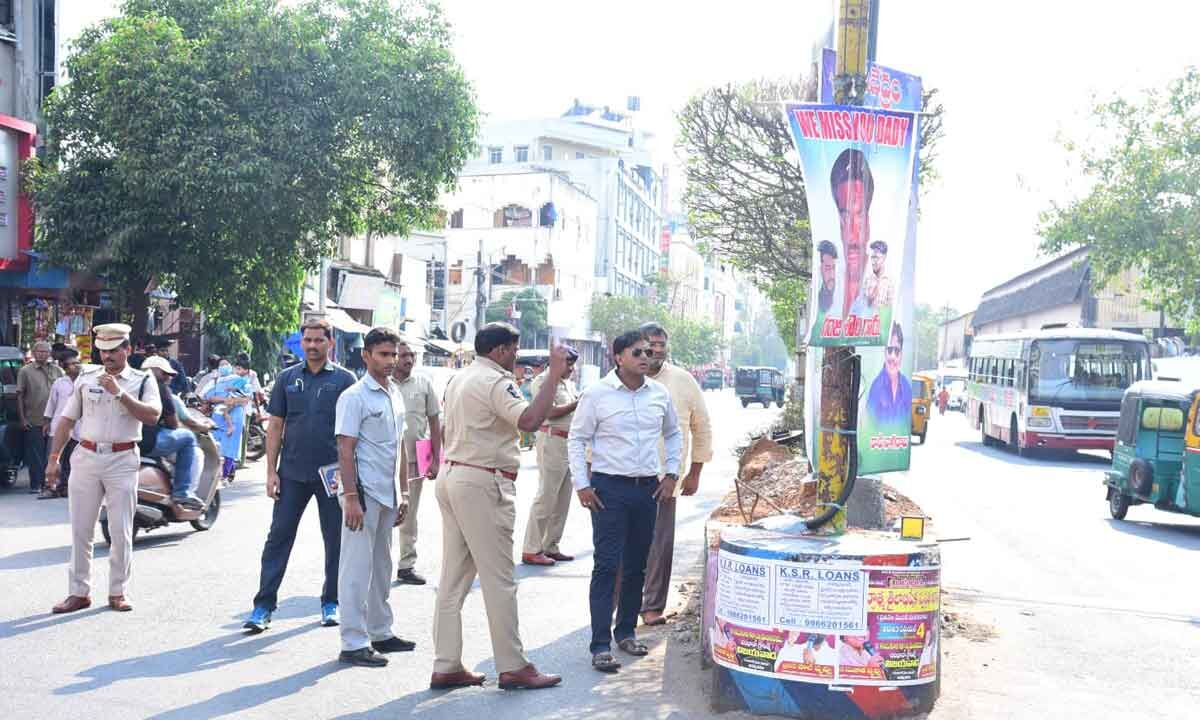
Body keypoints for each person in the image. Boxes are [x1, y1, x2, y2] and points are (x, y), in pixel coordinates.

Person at [430, 322, 570, 691]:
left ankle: (446, 663)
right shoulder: (495, 381)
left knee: (454, 578)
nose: (517, 357)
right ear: (501, 351)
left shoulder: (460, 377)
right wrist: (553, 376)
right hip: (482, 480)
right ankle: (513, 665)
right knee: (500, 580)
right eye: (515, 349)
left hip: (455, 473)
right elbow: (529, 421)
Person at [567, 330, 682, 673]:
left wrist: (672, 474)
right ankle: (600, 645)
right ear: (618, 357)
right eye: (638, 352)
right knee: (606, 565)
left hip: (647, 489)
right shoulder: (597, 394)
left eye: (649, 352)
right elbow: (577, 438)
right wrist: (582, 484)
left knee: (636, 566)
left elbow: (673, 433)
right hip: (608, 491)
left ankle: (626, 632)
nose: (647, 357)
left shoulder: (659, 394)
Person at [243, 318, 356, 633]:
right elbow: (276, 426)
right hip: (291, 473)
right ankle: (263, 606)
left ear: (330, 343)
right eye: (307, 340)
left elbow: (352, 434)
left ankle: (331, 601)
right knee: (278, 537)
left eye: (319, 340)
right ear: (301, 343)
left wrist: (351, 481)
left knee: (335, 539)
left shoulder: (345, 381)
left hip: (332, 474)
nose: (313, 346)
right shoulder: (286, 378)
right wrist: (270, 472)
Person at [45, 323, 162, 614]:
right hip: (86, 456)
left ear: (128, 349)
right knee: (80, 529)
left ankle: (118, 591)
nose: (107, 357)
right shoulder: (86, 378)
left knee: (120, 529)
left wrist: (120, 393)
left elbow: (152, 416)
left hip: (122, 459)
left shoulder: (143, 379)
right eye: (103, 351)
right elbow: (67, 420)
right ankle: (78, 592)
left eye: (113, 351)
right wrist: (53, 458)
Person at [334, 327, 416, 667]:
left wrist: (404, 491)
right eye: (383, 354)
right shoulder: (355, 396)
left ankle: (381, 632)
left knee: (383, 566)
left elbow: (398, 447)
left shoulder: (394, 393)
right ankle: (353, 641)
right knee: (356, 568)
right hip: (362, 494)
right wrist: (351, 496)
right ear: (366, 355)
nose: (390, 360)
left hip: (388, 493)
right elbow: (345, 448)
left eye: (393, 354)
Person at [638, 322, 711, 627]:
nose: (655, 350)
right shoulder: (621, 380)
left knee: (659, 544)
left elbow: (701, 427)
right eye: (648, 345)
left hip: (664, 478)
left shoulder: (682, 381)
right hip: (621, 476)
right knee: (622, 545)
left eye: (660, 345)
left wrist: (694, 472)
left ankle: (652, 606)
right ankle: (621, 603)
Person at [521, 347, 579, 566]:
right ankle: (531, 548)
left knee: (562, 499)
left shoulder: (569, 384)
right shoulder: (543, 381)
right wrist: (576, 403)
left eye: (572, 364)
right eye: (567, 364)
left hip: (569, 444)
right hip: (552, 441)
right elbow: (548, 412)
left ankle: (550, 545)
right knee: (546, 496)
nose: (571, 369)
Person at [393, 339, 441, 586]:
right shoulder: (383, 383)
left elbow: (435, 422)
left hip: (415, 461)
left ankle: (406, 565)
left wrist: (435, 460)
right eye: (403, 356)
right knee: (381, 515)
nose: (408, 360)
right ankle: (375, 564)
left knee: (409, 515)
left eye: (411, 355)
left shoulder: (423, 383)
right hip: (386, 463)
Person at [139, 356, 203, 509]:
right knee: (188, 438)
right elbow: (173, 424)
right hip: (148, 441)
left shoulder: (131, 384)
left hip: (127, 440)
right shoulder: (159, 388)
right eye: (165, 373)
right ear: (154, 371)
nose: (168, 378)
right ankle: (182, 491)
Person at [830, 148, 875, 320]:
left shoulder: (883, 291)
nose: (852, 234)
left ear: (868, 223)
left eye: (859, 216)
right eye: (845, 217)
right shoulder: (829, 289)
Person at [18, 340, 63, 497]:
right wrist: (22, 419)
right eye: (40, 351)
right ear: (34, 352)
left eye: (46, 351)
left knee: (53, 454)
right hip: (34, 419)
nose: (43, 354)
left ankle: (50, 485)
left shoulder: (58, 371)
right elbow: (20, 395)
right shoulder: (25, 371)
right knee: (35, 455)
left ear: (50, 353)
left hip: (55, 421)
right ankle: (36, 484)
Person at [42, 349, 82, 499]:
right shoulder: (59, 383)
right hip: (58, 427)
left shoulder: (83, 382)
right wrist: (46, 421)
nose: (77, 366)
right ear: (65, 367)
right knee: (54, 458)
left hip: (79, 428)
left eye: (78, 363)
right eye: (73, 364)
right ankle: (50, 487)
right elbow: (51, 404)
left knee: (72, 460)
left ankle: (65, 487)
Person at [204, 358, 251, 481]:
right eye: (221, 364)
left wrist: (234, 401)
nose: (224, 366)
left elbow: (247, 398)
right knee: (216, 445)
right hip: (218, 417)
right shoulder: (214, 381)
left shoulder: (238, 380)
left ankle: (225, 474)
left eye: (226, 364)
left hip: (236, 415)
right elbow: (208, 397)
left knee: (231, 446)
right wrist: (223, 400)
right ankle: (216, 473)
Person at [866, 324, 912, 427]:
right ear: (884, 352)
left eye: (896, 351)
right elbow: (869, 425)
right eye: (890, 350)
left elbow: (907, 424)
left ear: (901, 354)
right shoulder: (876, 387)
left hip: (899, 442)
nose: (892, 357)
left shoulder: (906, 386)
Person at [863, 240, 893, 309]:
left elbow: (890, 308)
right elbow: (863, 308)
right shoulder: (867, 280)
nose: (873, 262)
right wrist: (869, 300)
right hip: (868, 318)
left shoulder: (890, 281)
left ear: (884, 257)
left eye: (876, 257)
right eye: (872, 257)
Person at [817, 240, 838, 314]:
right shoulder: (817, 299)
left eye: (834, 268)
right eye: (828, 268)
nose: (832, 275)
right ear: (820, 269)